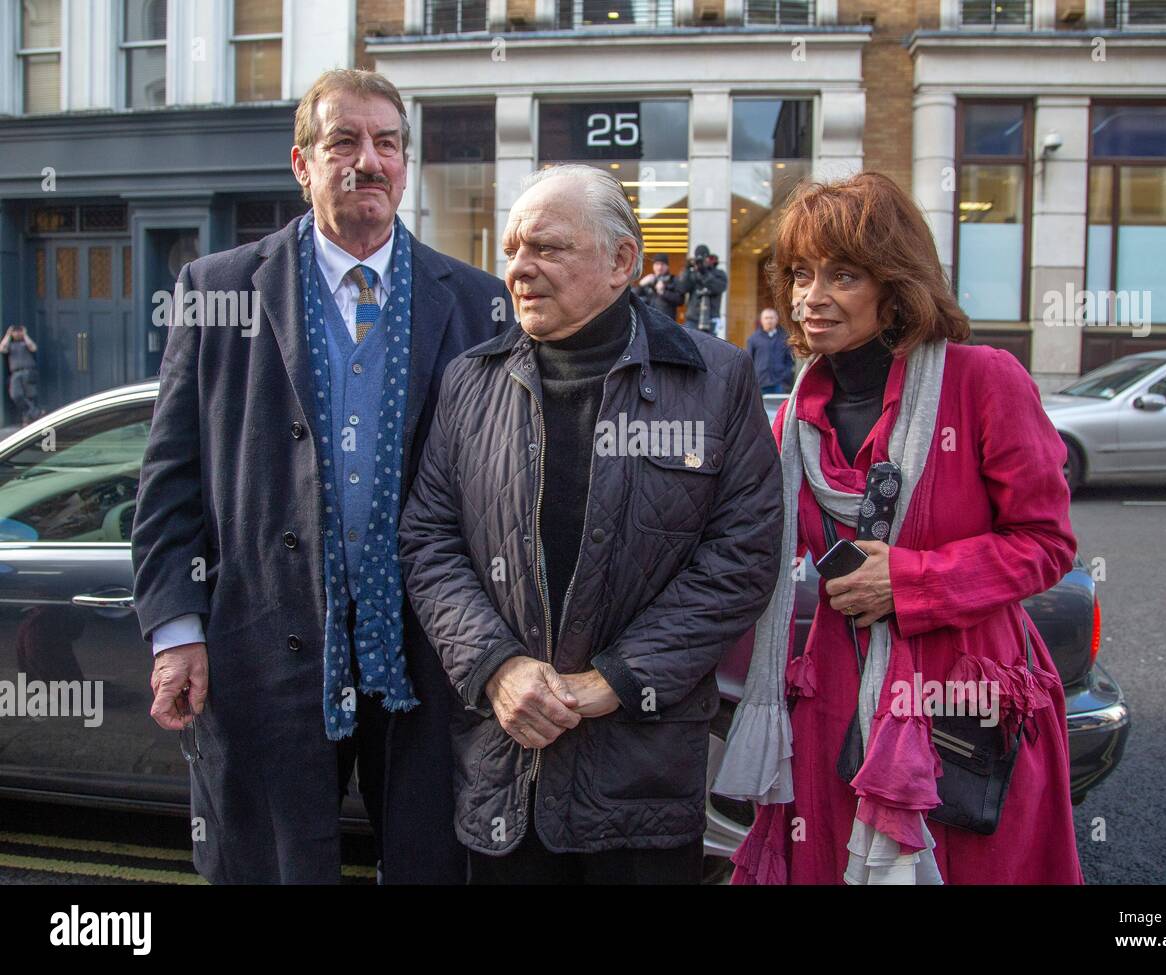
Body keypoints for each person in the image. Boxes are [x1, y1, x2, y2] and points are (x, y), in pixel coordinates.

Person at [131, 69, 511, 884]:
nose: (368, 160)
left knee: (431, 865)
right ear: (302, 164)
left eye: (387, 143)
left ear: (405, 165)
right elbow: (170, 481)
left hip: (430, 661)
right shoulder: (217, 292)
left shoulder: (479, 304)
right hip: (260, 656)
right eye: (344, 141)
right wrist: (175, 629)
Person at [398, 164, 783, 885]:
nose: (518, 269)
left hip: (640, 777)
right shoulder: (469, 382)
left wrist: (617, 677)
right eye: (511, 249)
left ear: (620, 262)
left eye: (545, 247)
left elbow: (744, 554)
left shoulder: (716, 380)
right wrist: (499, 668)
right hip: (508, 771)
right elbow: (429, 539)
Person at [714, 172, 1083, 885]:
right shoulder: (795, 415)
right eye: (799, 273)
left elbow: (1047, 543)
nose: (809, 296)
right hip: (828, 697)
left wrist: (912, 579)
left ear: (896, 286)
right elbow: (748, 544)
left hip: (961, 698)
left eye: (842, 274)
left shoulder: (984, 381)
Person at [679, 244, 727, 336]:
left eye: (703, 259)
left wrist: (704, 273)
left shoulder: (718, 274)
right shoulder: (692, 274)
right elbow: (682, 288)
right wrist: (687, 269)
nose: (701, 262)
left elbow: (719, 287)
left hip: (711, 319)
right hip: (692, 320)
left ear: (709, 258)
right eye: (698, 260)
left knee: (710, 349)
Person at [746, 308, 795, 395]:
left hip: (780, 383)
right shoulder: (753, 339)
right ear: (761, 320)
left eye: (771, 318)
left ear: (776, 319)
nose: (769, 321)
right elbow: (749, 361)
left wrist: (785, 376)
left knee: (778, 408)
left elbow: (790, 361)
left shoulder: (785, 338)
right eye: (766, 318)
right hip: (760, 383)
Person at [1, 325, 40, 425]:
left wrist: (25, 335)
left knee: (29, 395)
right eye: (15, 332)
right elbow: (2, 348)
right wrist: (8, 335)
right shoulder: (10, 345)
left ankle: (27, 420)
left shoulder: (25, 343)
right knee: (16, 395)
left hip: (28, 371)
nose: (17, 334)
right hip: (15, 373)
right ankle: (35, 413)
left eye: (19, 331)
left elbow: (33, 347)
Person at [634, 252, 684, 320]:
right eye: (657, 264)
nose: (660, 267)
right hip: (650, 321)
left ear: (667, 266)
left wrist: (663, 292)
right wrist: (641, 284)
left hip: (667, 321)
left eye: (663, 264)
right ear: (653, 266)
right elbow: (633, 297)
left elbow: (680, 300)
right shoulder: (649, 280)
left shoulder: (673, 280)